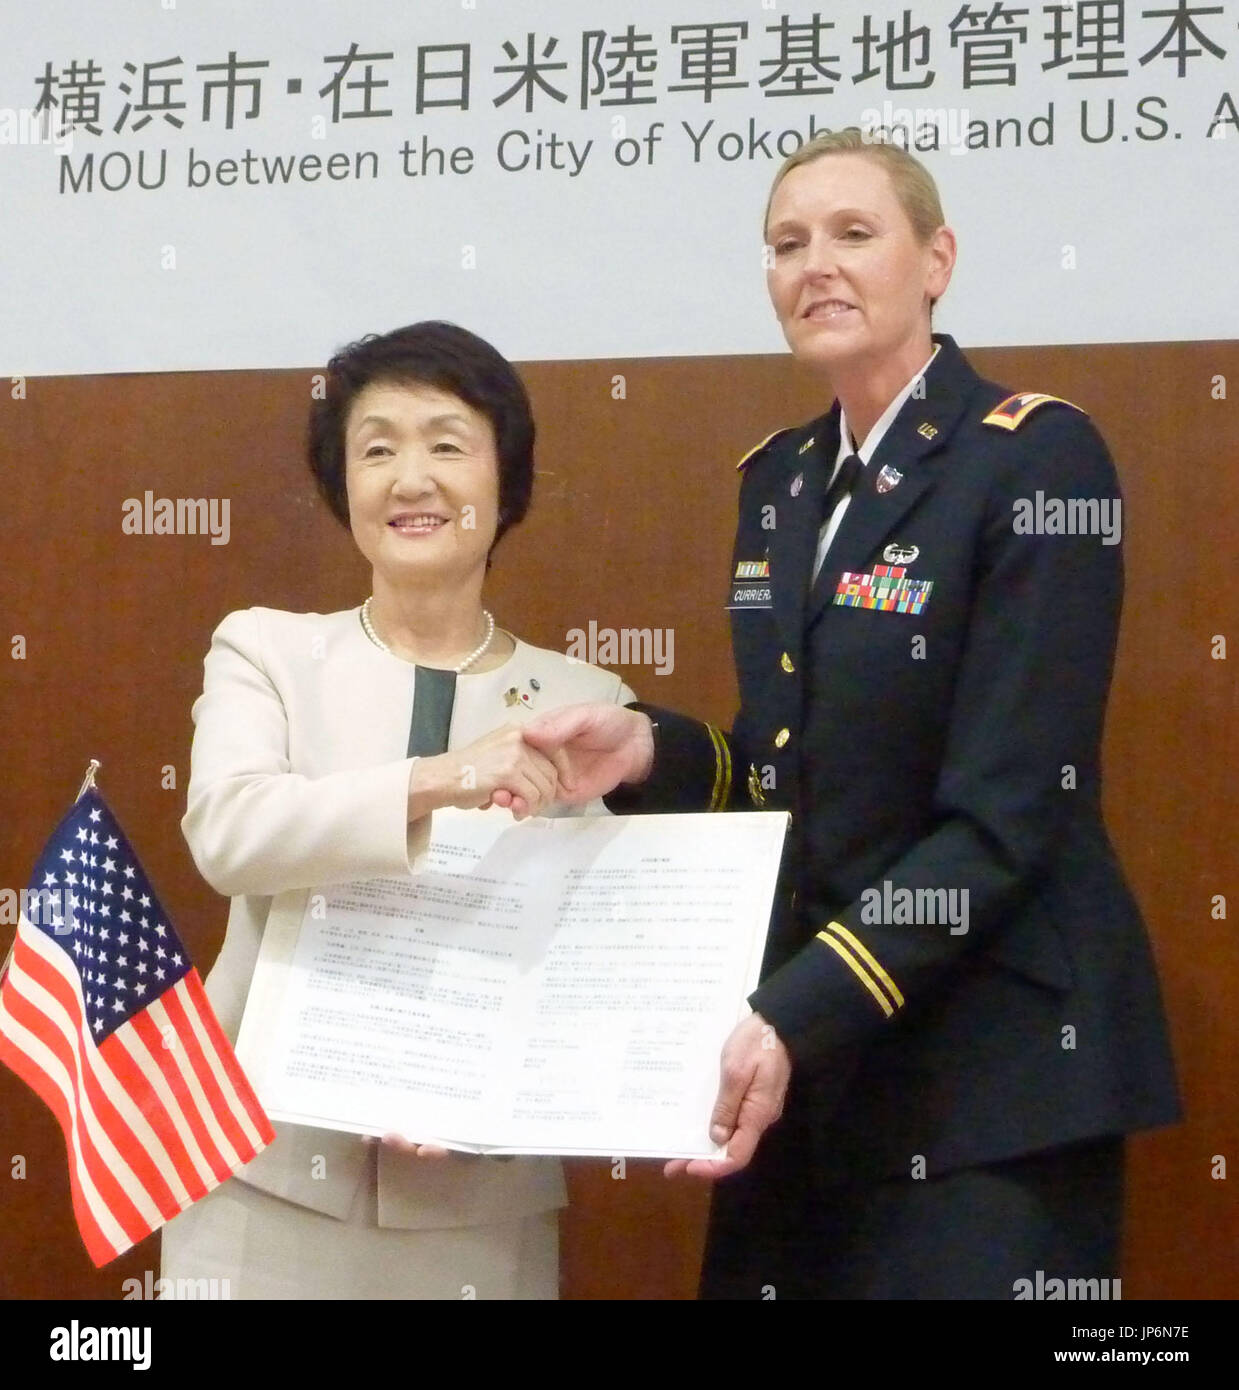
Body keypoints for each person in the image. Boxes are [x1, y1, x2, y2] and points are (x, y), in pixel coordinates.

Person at [523, 128, 1181, 1299]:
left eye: (853, 234)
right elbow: (788, 768)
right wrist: (649, 749)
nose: (814, 264)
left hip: (987, 1078)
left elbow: (1010, 815)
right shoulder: (776, 481)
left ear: (937, 261)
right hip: (811, 1073)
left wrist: (794, 1012)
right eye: (787, 243)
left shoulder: (1036, 459)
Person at [161, 321, 634, 1299]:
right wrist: (446, 777)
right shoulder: (266, 650)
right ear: (344, 488)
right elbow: (231, 833)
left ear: (508, 480)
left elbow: (590, 952)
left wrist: (487, 1093)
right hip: (261, 1175)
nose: (410, 477)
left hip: (476, 1194)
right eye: (376, 448)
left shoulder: (588, 702)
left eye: (446, 443)